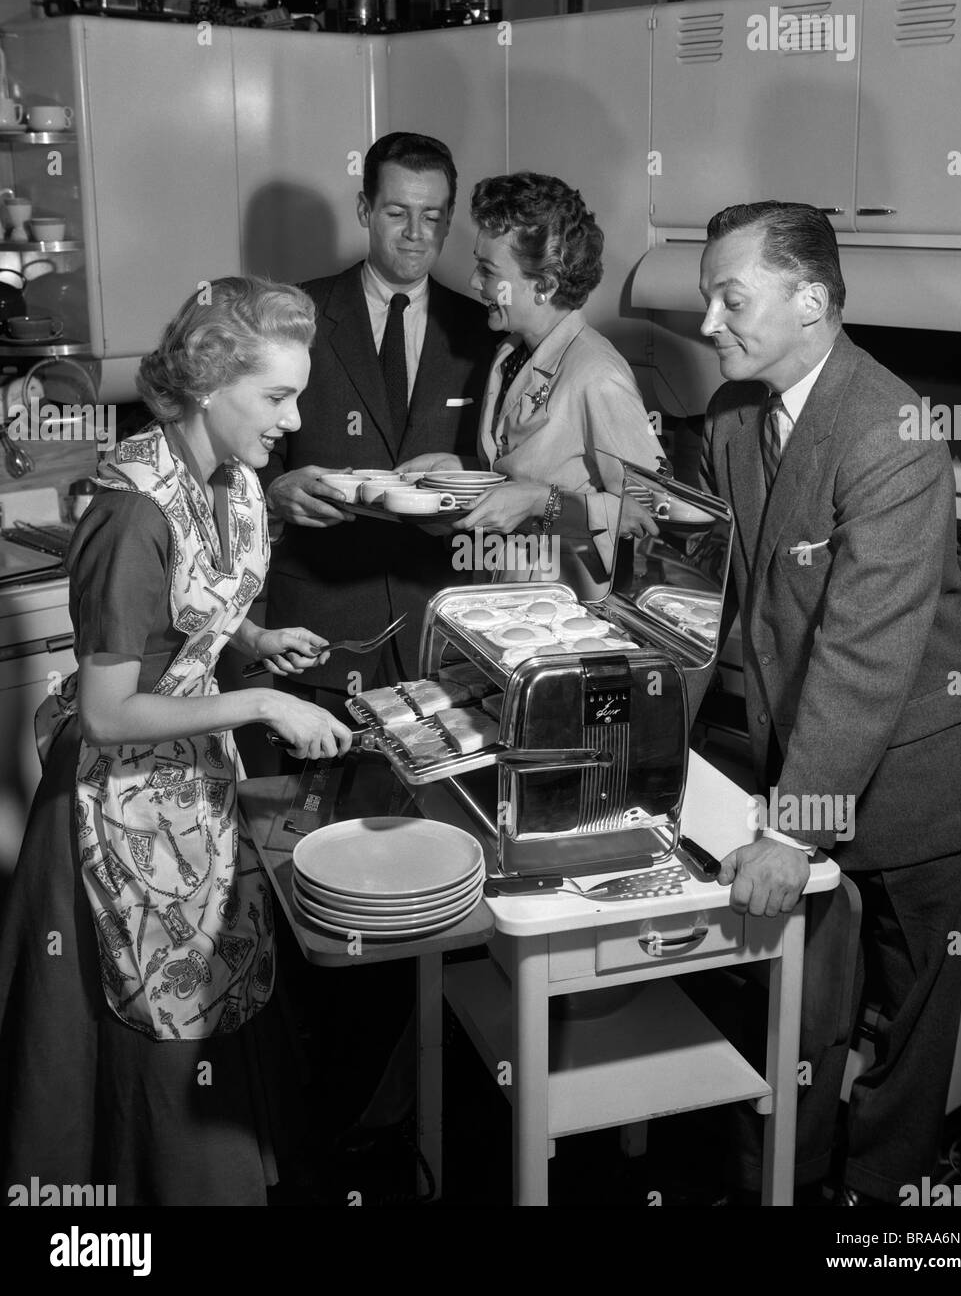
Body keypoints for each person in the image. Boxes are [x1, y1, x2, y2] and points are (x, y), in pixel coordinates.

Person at [0, 276, 352, 1206]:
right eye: (276, 396)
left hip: (187, 784)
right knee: (149, 1012)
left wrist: (253, 642)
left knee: (208, 984)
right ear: (206, 385)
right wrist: (261, 706)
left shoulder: (224, 477)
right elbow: (111, 712)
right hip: (111, 805)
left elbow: (196, 597)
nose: (294, 417)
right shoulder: (129, 514)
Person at [698, 201, 961, 1204]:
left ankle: (879, 1207)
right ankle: (786, 1179)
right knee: (807, 1009)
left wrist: (791, 829)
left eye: (729, 299)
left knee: (904, 1035)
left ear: (813, 301)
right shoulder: (731, 416)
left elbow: (864, 655)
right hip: (810, 761)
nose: (709, 323)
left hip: (918, 776)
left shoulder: (891, 434)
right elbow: (734, 596)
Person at [261, 131, 498, 709]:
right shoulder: (296, 315)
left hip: (446, 625)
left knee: (441, 800)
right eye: (396, 212)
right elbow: (237, 453)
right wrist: (272, 490)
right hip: (320, 626)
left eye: (432, 216)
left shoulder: (486, 330)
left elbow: (508, 460)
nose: (416, 234)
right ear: (365, 210)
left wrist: (464, 477)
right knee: (313, 793)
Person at [406, 171, 665, 599]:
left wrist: (542, 504)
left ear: (543, 286)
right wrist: (463, 470)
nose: (474, 282)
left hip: (566, 614)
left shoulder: (597, 376)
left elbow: (654, 512)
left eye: (488, 271)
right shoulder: (511, 353)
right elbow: (527, 471)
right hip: (505, 595)